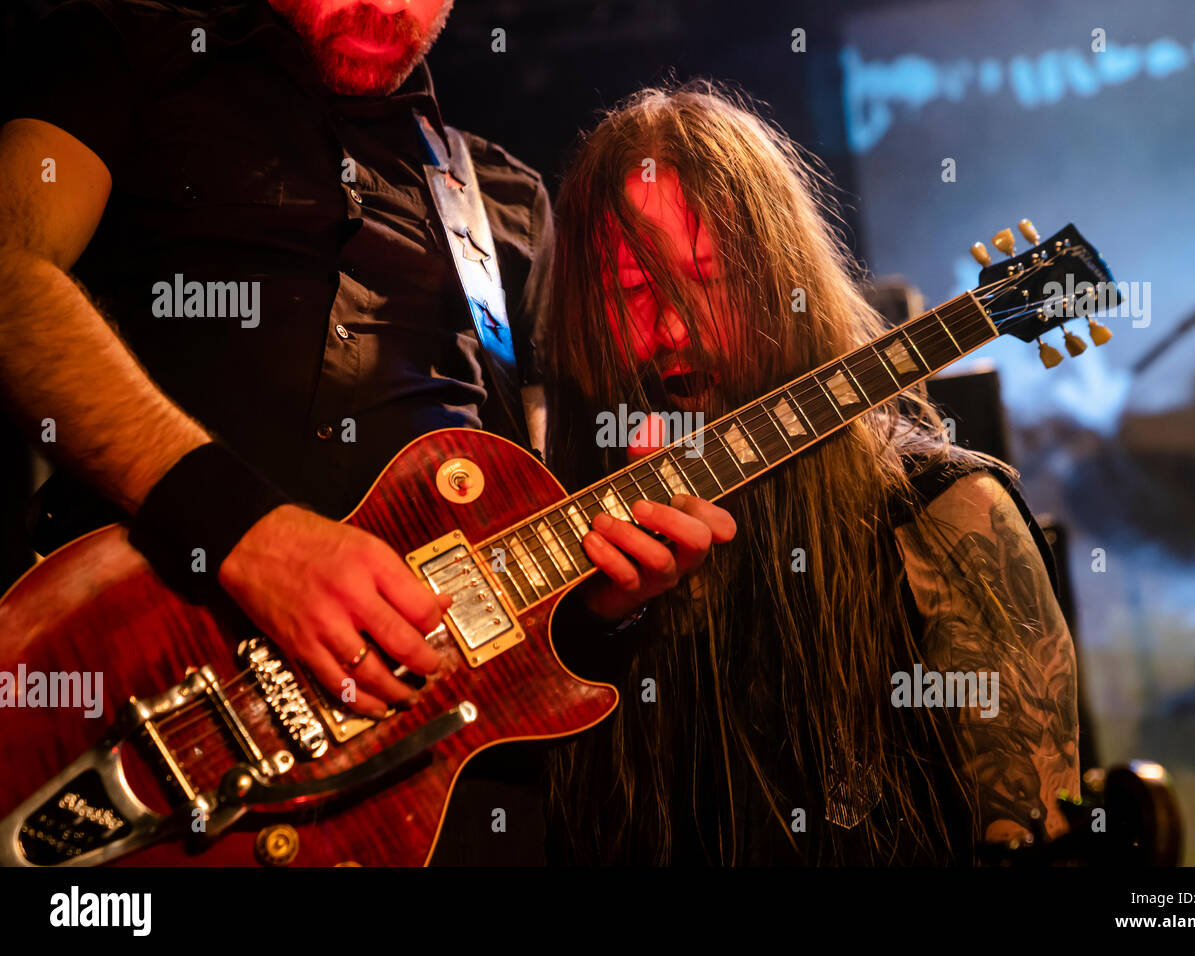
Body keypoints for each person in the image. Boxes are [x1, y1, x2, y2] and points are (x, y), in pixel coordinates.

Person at [0, 0, 731, 864]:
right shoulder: (133, 56)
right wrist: (243, 532)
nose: (385, 4)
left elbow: (534, 521)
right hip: (115, 683)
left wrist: (603, 603)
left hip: (416, 789)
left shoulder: (508, 202)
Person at [539, 82, 1081, 865]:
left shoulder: (944, 511)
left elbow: (1036, 834)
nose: (672, 328)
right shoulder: (573, 556)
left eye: (710, 277)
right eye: (631, 291)